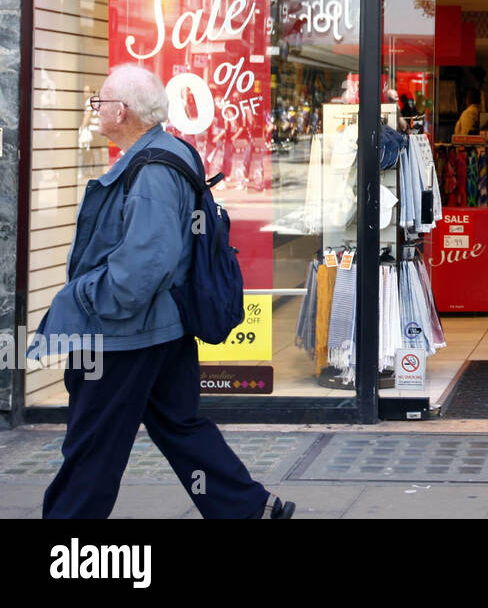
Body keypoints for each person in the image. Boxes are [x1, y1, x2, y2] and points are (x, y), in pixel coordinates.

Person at [29, 64, 294, 519]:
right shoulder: (169, 151)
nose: (95, 110)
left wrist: (87, 299)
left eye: (101, 102)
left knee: (94, 446)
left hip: (128, 336)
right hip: (164, 330)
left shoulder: (150, 169)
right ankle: (250, 509)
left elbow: (141, 269)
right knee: (180, 428)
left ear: (123, 111)